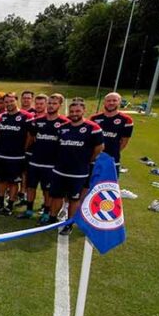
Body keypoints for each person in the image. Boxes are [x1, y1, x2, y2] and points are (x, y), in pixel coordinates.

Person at [48, 98, 104, 235]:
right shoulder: (63, 128)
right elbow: (57, 147)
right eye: (72, 111)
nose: (74, 113)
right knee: (56, 196)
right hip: (60, 170)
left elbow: (100, 147)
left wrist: (87, 159)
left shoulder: (93, 128)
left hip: (78, 172)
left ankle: (69, 224)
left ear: (84, 111)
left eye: (77, 111)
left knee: (74, 199)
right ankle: (52, 219)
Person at [20, 93, 67, 221]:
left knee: (47, 190)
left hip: (51, 164)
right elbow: (30, 138)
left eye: (54, 103)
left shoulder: (64, 123)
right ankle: (29, 211)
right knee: (31, 187)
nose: (51, 106)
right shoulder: (37, 122)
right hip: (35, 161)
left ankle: (46, 213)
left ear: (60, 105)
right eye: (50, 103)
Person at [0, 92, 33, 215]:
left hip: (17, 157)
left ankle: (10, 205)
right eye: (6, 102)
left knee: (13, 182)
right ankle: (1, 203)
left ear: (16, 101)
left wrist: (23, 150)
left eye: (11, 101)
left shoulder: (26, 116)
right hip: (1, 155)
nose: (9, 104)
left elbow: (30, 136)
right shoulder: (2, 117)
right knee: (1, 181)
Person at [90, 92, 133, 176]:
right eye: (108, 100)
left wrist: (111, 153)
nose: (111, 103)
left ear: (119, 102)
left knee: (107, 186)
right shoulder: (94, 118)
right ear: (104, 102)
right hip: (93, 159)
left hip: (112, 160)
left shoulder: (126, 120)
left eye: (114, 100)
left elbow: (124, 142)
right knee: (88, 186)